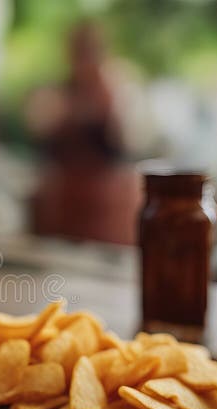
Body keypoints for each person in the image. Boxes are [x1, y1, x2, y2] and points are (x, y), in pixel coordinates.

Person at [26, 22, 142, 245]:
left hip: (110, 206)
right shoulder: (58, 94)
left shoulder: (119, 90)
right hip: (66, 205)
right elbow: (42, 131)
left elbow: (128, 142)